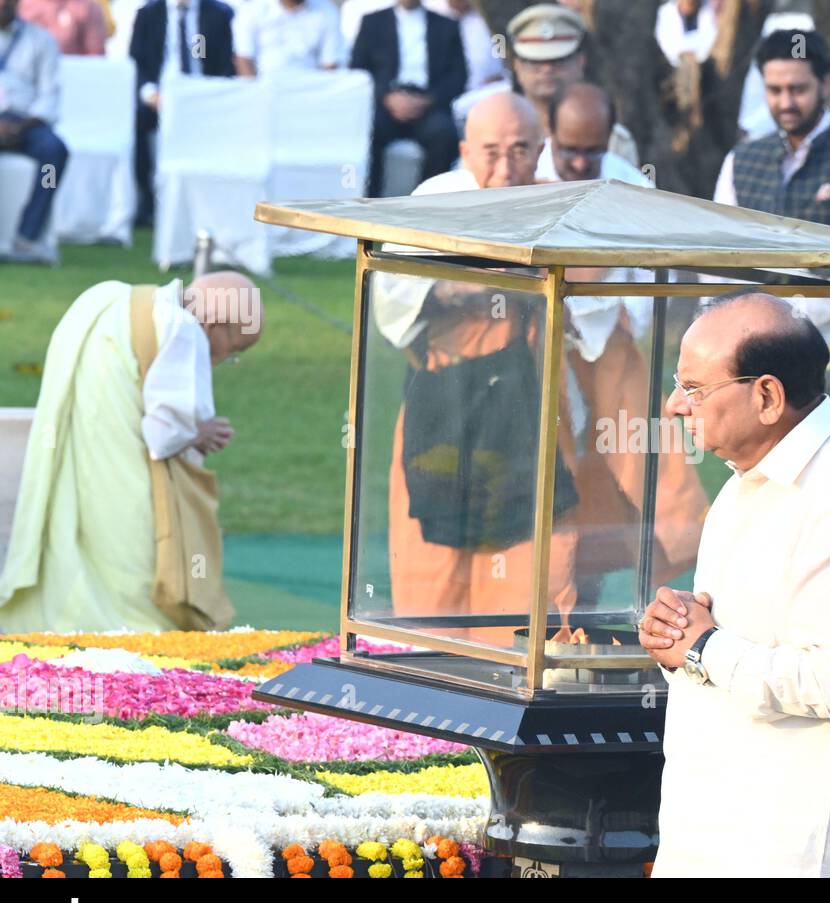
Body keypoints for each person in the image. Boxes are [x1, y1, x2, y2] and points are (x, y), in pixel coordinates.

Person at [376, 92, 704, 623]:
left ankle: (530, 646)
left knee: (539, 536)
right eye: (490, 152)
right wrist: (456, 292)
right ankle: (439, 645)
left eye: (520, 151)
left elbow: (611, 310)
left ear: (539, 150)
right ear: (464, 149)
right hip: (450, 401)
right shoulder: (437, 197)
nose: (506, 168)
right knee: (437, 539)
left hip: (534, 404)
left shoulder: (573, 208)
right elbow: (391, 291)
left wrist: (545, 299)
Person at [638, 292, 830, 877]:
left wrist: (705, 647)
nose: (673, 406)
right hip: (725, 831)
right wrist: (680, 638)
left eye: (694, 388)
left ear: (767, 395)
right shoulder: (752, 479)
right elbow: (728, 638)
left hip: (797, 848)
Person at [0, 272, 263, 633]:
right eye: (232, 351)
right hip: (122, 474)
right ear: (216, 324)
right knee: (131, 582)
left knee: (73, 541)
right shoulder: (186, 330)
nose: (222, 360)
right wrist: (199, 433)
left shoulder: (113, 298)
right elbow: (163, 436)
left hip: (77, 455)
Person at [713, 29, 830, 429]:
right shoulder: (741, 161)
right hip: (749, 353)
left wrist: (787, 322)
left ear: (825, 84)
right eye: (774, 89)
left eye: (797, 89)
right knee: (754, 473)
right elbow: (718, 259)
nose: (785, 102)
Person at [129, 0, 236, 227]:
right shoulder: (149, 13)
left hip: (204, 97)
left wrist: (204, 95)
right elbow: (137, 63)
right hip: (159, 96)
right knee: (135, 123)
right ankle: (147, 199)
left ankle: (208, 201)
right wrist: (152, 94)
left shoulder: (219, 13)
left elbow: (226, 66)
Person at [350, 0, 465, 197]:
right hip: (385, 103)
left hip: (428, 103)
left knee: (444, 135)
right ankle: (369, 202)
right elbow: (358, 70)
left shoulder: (447, 25)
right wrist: (386, 97)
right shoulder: (373, 22)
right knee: (366, 132)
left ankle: (426, 202)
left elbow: (458, 76)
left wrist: (427, 100)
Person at [506, 3, 638, 168]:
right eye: (536, 62)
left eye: (559, 61)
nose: (547, 70)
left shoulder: (614, 139)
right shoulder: (498, 134)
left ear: (581, 63)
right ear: (517, 66)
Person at [0, 0, 66, 263]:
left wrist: (18, 126)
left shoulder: (40, 40)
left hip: (24, 123)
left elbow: (49, 95)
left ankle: (29, 235)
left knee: (54, 151)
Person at [535, 81, 648, 185]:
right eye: (569, 150)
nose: (580, 165)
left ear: (609, 137)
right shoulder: (523, 179)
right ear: (550, 130)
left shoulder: (635, 187)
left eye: (593, 152)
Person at [233, 0, 341, 76]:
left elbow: (330, 64)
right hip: (264, 91)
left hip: (310, 91)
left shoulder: (327, 11)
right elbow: (244, 59)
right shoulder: (251, 10)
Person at [17, 0, 106, 54]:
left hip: (74, 79)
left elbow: (96, 58)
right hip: (27, 79)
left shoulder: (86, 7)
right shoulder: (21, 7)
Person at [654, 0, 716, 69]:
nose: (687, 2)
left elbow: (711, 37)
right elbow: (665, 42)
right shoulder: (666, 13)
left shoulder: (709, 10)